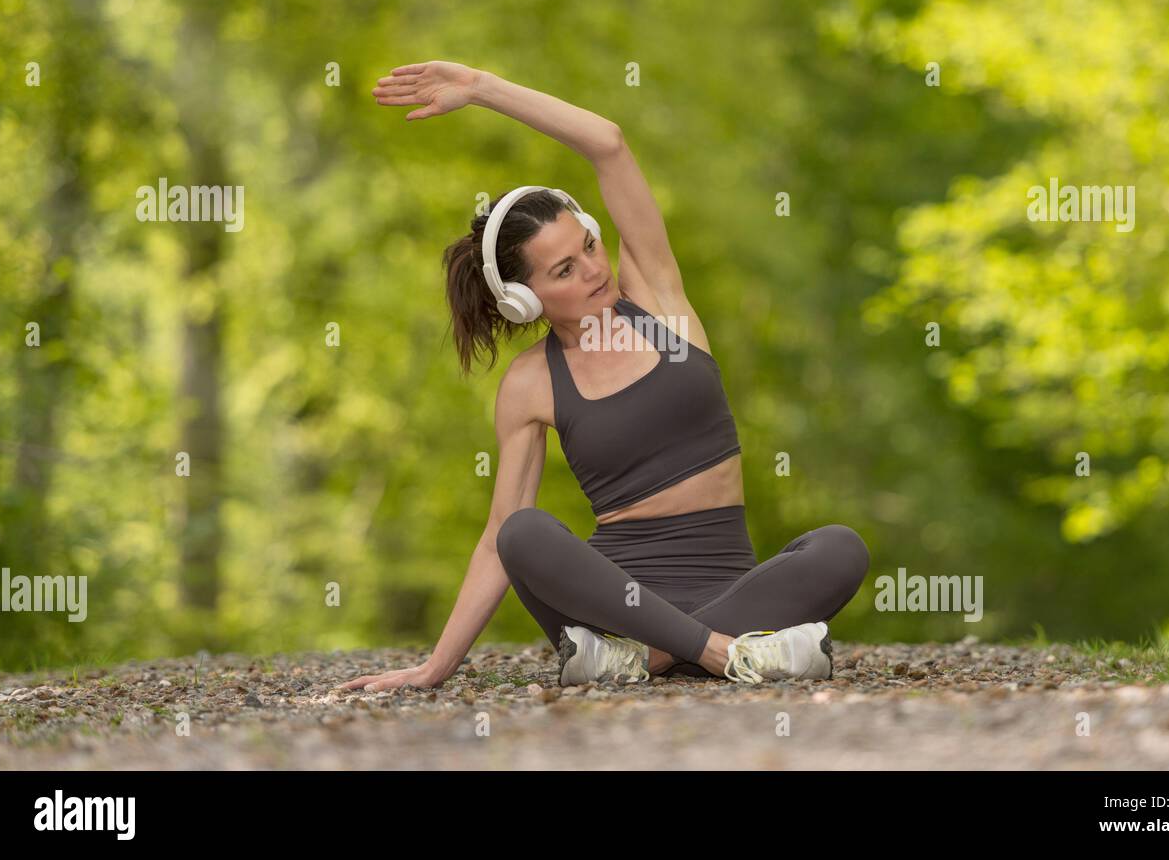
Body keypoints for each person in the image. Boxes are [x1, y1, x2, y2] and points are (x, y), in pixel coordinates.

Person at [338, 61, 870, 691]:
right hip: (615, 603)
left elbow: (609, 144)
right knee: (524, 532)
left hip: (731, 584)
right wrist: (434, 668)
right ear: (524, 301)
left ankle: (654, 660)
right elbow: (497, 544)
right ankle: (734, 654)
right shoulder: (532, 382)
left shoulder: (656, 297)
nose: (592, 270)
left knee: (841, 546)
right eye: (562, 271)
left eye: (587, 246)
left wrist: (483, 89)